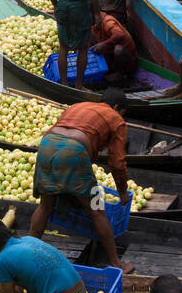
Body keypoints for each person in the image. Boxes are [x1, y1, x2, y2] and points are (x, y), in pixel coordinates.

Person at [29, 88, 134, 274]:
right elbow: (117, 162)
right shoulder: (116, 118)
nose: (121, 116)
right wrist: (123, 191)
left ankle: (27, 254)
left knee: (45, 205)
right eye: (122, 112)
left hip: (46, 145)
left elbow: (52, 131)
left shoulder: (78, 106)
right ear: (118, 107)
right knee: (98, 210)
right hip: (74, 152)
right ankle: (116, 264)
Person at [90, 8, 137, 79]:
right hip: (111, 55)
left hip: (127, 59)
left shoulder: (108, 22)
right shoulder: (94, 23)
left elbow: (120, 34)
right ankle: (110, 68)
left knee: (118, 50)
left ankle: (120, 74)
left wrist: (104, 45)